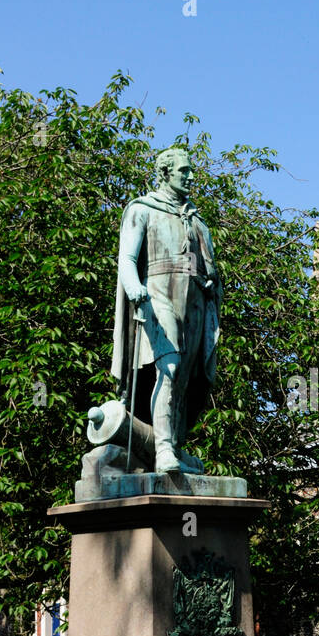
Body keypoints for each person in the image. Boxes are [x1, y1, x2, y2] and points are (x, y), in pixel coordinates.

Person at [111, 147, 222, 473]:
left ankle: (174, 445)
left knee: (187, 379)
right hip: (158, 297)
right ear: (165, 173)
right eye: (183, 170)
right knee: (170, 370)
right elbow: (127, 259)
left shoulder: (196, 219)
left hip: (195, 305)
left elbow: (208, 268)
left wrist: (210, 283)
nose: (190, 176)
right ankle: (163, 452)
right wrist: (134, 287)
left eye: (190, 171)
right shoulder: (142, 209)